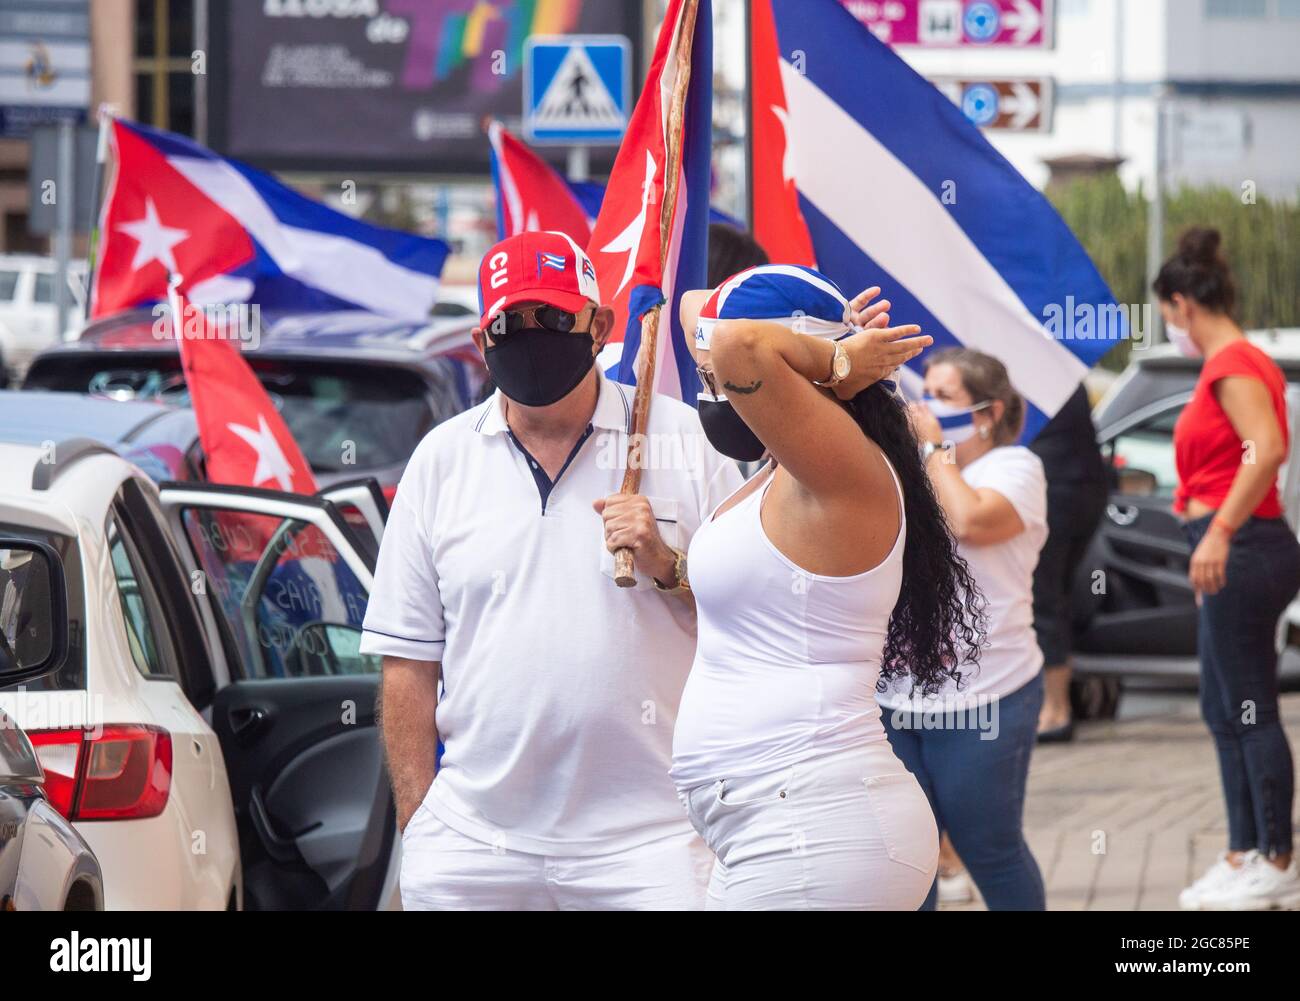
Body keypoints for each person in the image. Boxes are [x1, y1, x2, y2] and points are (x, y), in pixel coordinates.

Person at [361, 231, 744, 910]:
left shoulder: (684, 442)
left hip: (651, 843)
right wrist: (419, 822)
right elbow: (407, 660)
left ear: (600, 325)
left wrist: (667, 563)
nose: (531, 334)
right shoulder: (441, 461)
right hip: (475, 842)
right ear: (484, 338)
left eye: (554, 318)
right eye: (511, 322)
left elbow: (748, 619)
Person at [671, 266, 986, 909]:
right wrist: (837, 343)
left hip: (815, 821)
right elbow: (695, 309)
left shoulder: (844, 468)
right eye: (705, 380)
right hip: (776, 824)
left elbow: (735, 345)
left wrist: (837, 356)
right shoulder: (790, 465)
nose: (716, 385)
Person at [1154, 227, 1300, 911]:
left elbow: (1265, 449)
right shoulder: (1232, 361)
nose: (1168, 325)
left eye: (1164, 312)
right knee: (1223, 707)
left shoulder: (1233, 362)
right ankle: (1244, 850)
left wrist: (1218, 530)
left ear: (1181, 302)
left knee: (1249, 708)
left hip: (1245, 549)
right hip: (1234, 550)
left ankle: (1276, 855)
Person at [882, 347, 1049, 911]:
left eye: (944, 397)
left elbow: (972, 521)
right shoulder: (913, 468)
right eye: (923, 392)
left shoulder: (1015, 468)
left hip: (990, 695)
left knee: (989, 848)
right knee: (909, 858)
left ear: (986, 413)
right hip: (897, 697)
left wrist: (931, 447)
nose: (925, 406)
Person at [1030, 384, 1108, 742]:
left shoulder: (1022, 367)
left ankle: (1056, 709)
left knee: (1044, 598)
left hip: (1051, 489)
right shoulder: (1060, 368)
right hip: (1084, 488)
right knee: (1053, 596)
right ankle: (1057, 703)